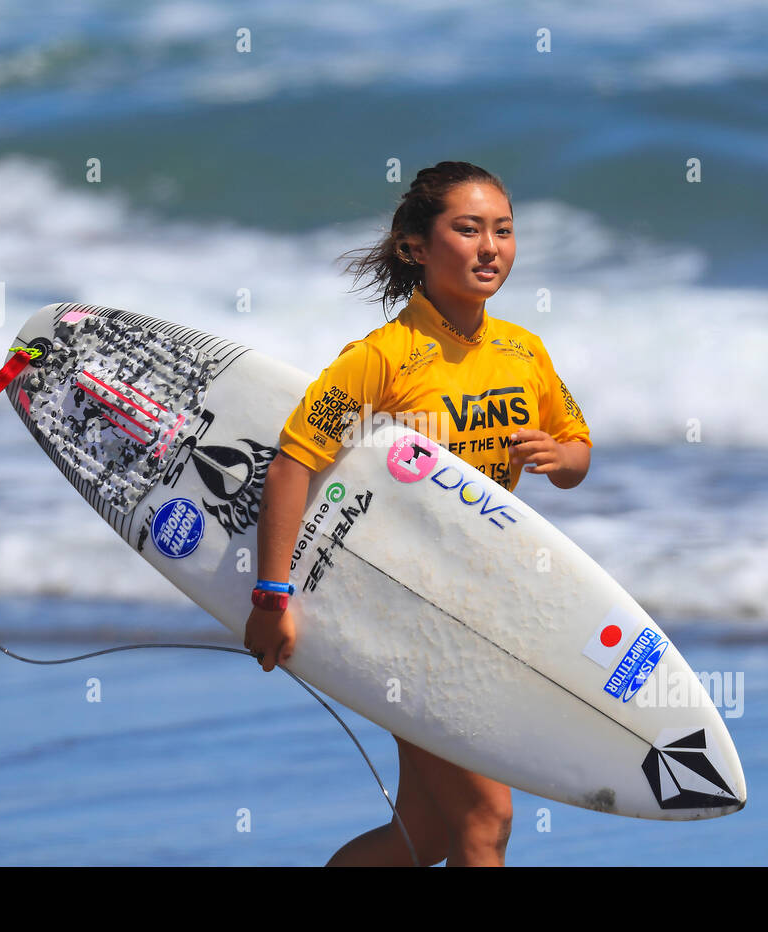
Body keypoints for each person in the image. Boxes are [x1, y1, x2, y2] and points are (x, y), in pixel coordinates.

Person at [243, 161, 592, 866]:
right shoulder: (382, 359)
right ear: (416, 247)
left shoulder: (524, 353)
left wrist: (561, 457)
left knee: (425, 833)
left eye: (504, 230)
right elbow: (292, 463)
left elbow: (579, 449)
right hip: (398, 613)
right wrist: (271, 594)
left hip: (482, 606)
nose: (490, 247)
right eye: (467, 229)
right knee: (485, 819)